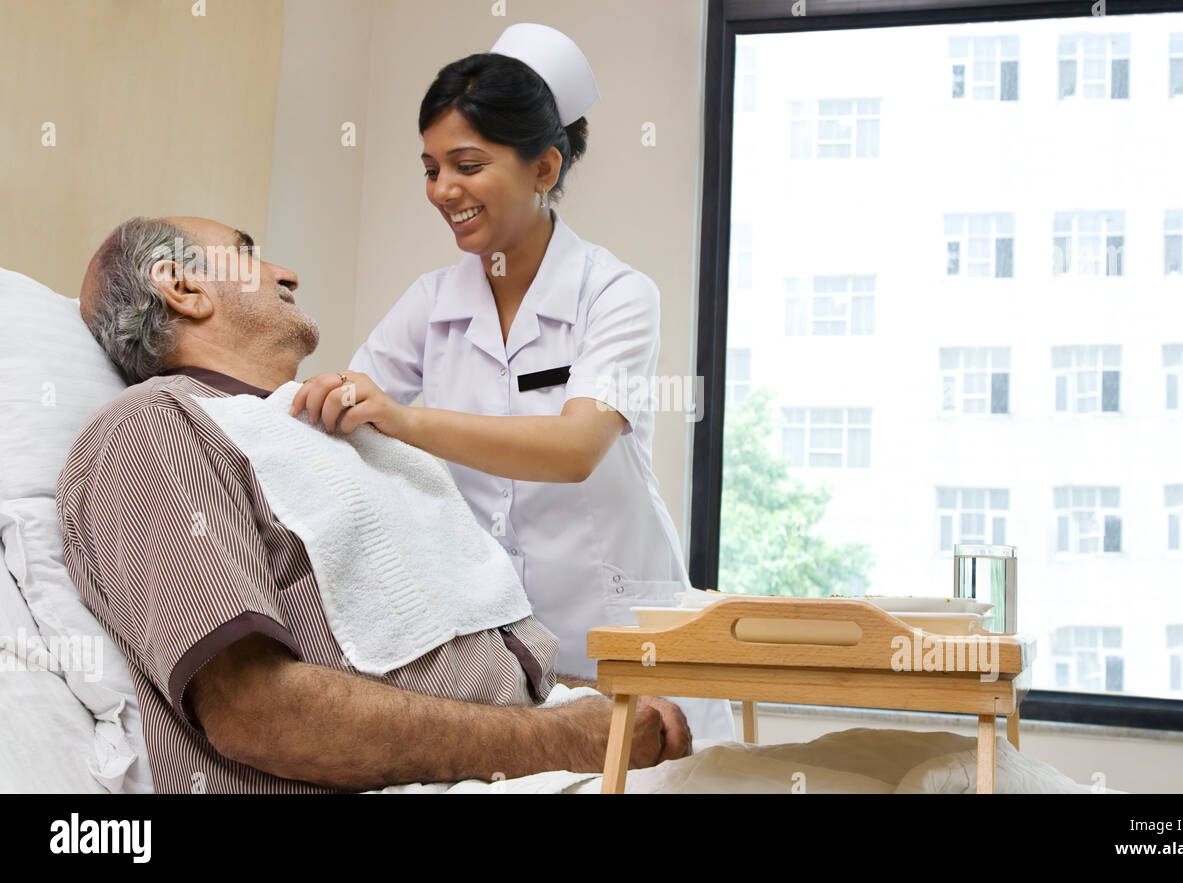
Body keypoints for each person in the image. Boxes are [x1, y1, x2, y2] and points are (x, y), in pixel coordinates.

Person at [58, 215, 691, 793]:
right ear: (182, 288)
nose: (287, 273)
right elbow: (255, 710)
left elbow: (476, 667)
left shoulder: (330, 430)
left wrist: (596, 706)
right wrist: (570, 737)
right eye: (248, 254)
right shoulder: (150, 431)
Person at [291, 23, 735, 741]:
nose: (443, 190)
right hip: (495, 648)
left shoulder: (617, 294)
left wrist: (403, 419)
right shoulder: (433, 302)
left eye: (467, 164)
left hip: (619, 632)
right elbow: (343, 402)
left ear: (544, 168)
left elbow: (574, 448)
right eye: (431, 167)